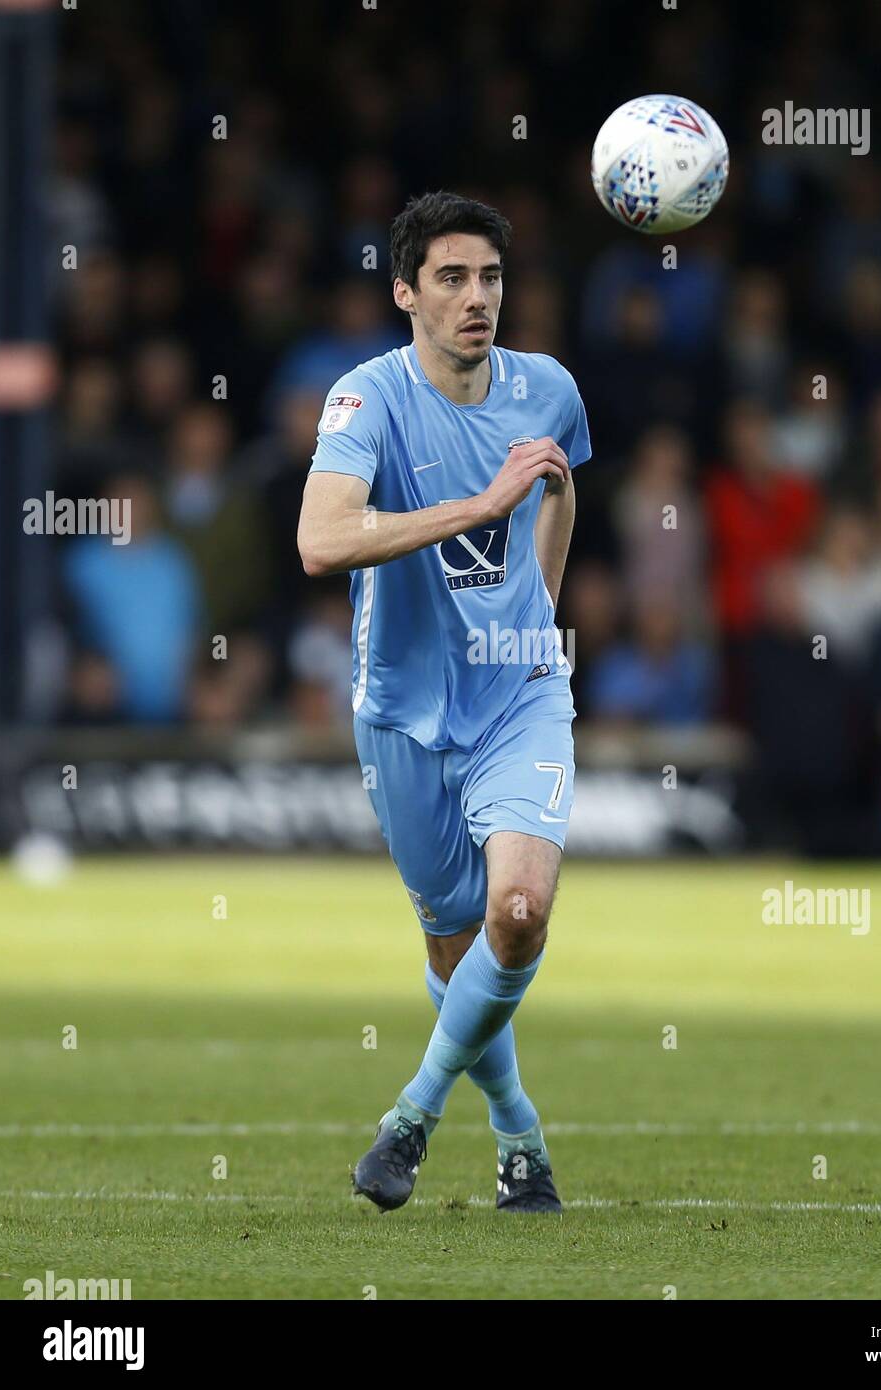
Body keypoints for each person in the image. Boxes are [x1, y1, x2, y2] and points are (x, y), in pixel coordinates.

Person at [297, 191, 591, 1213]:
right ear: (405, 293)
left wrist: (535, 618)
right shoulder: (366, 400)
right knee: (456, 945)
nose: (477, 298)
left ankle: (411, 1117)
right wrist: (479, 505)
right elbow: (321, 541)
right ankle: (519, 1134)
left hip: (518, 695)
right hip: (402, 712)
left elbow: (558, 489)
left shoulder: (549, 388)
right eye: (453, 278)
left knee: (519, 912)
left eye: (491, 278)